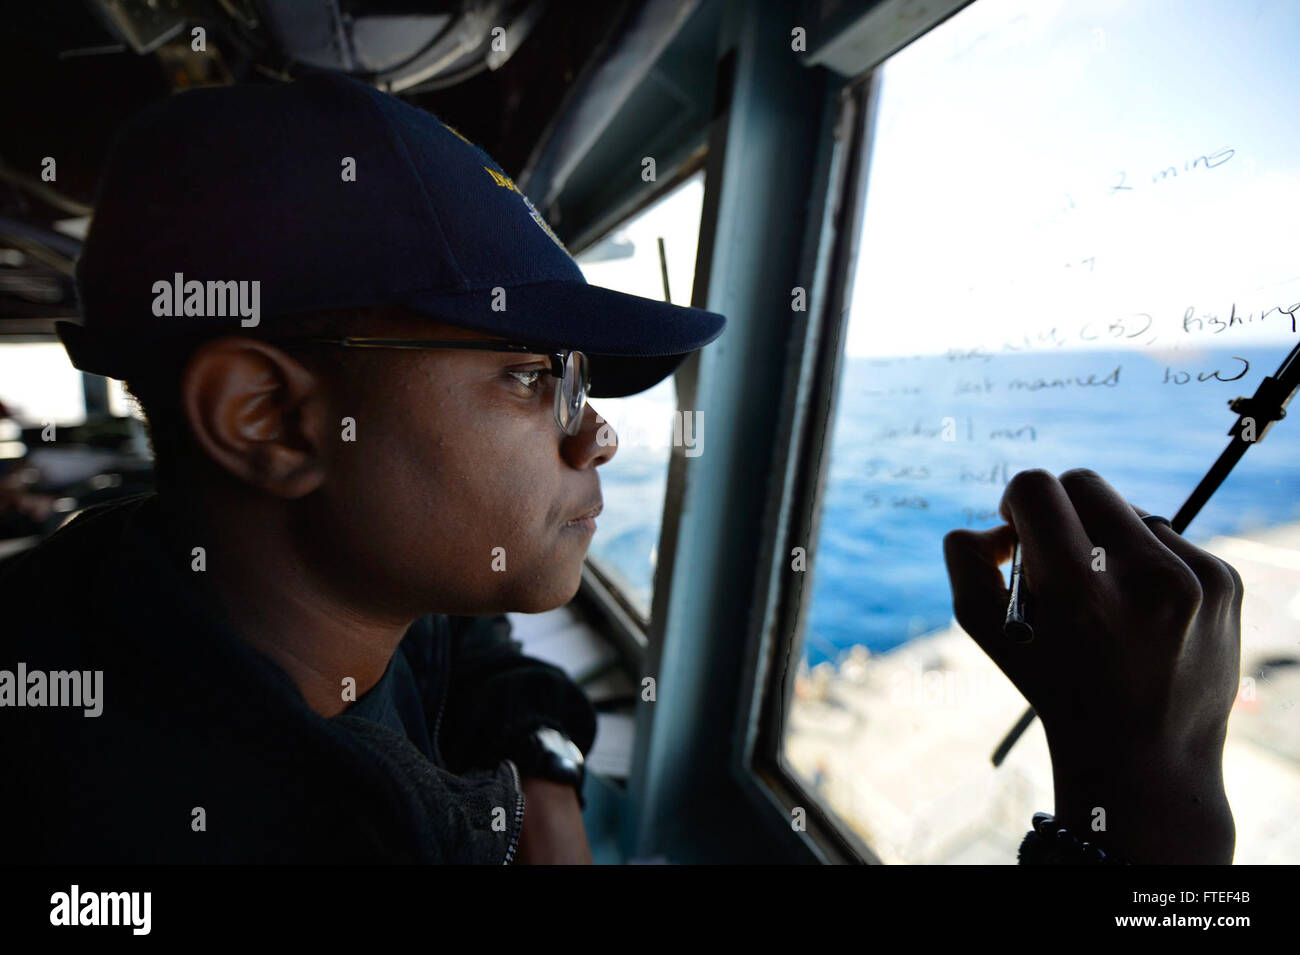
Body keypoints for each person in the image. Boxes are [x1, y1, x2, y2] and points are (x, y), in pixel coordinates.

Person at [0, 69, 725, 864]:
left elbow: (467, 649)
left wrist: (544, 771)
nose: (598, 436)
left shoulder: (324, 598)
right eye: (531, 375)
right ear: (268, 418)